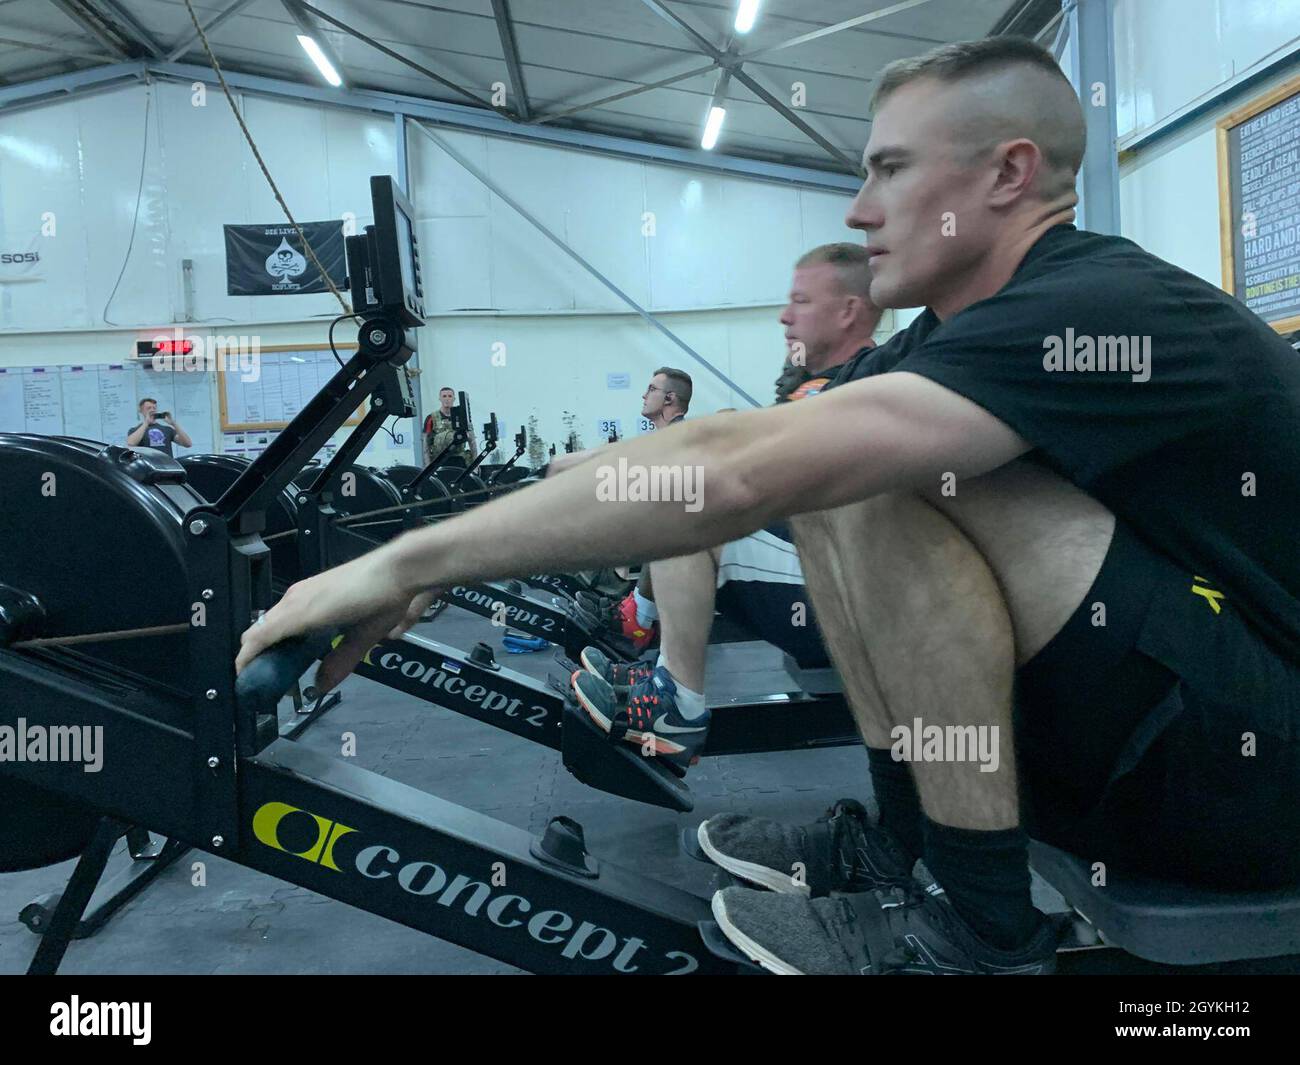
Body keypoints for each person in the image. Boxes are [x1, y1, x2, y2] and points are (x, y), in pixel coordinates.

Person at [238, 36, 1300, 976]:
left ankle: (980, 936)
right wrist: (513, 513)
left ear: (1006, 174)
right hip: (1161, 743)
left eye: (888, 169)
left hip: (1262, 785)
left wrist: (405, 563)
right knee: (845, 467)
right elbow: (720, 452)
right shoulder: (953, 337)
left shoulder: (1100, 303)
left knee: (862, 472)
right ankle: (904, 853)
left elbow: (738, 472)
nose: (859, 207)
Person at [573, 243, 884, 773]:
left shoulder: (864, 379)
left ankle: (673, 702)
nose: (785, 317)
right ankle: (643, 631)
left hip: (856, 595)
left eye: (801, 301)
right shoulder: (818, 383)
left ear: (848, 311)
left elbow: (764, 470)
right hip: (821, 565)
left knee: (686, 503)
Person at [424, 386, 477, 467]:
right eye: (444, 396)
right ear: (440, 399)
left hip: (459, 459)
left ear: (454, 398)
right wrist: (427, 466)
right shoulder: (431, 418)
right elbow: (426, 445)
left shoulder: (462, 417)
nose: (447, 399)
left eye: (450, 396)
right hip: (439, 460)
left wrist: (475, 464)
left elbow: (472, 441)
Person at [126, 398, 192, 457]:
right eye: (149, 408)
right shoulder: (135, 430)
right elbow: (131, 443)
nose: (152, 410)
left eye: (154, 408)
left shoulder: (167, 429)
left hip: (167, 466)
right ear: (141, 411)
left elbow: (188, 444)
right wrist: (146, 423)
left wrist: (174, 424)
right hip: (148, 468)